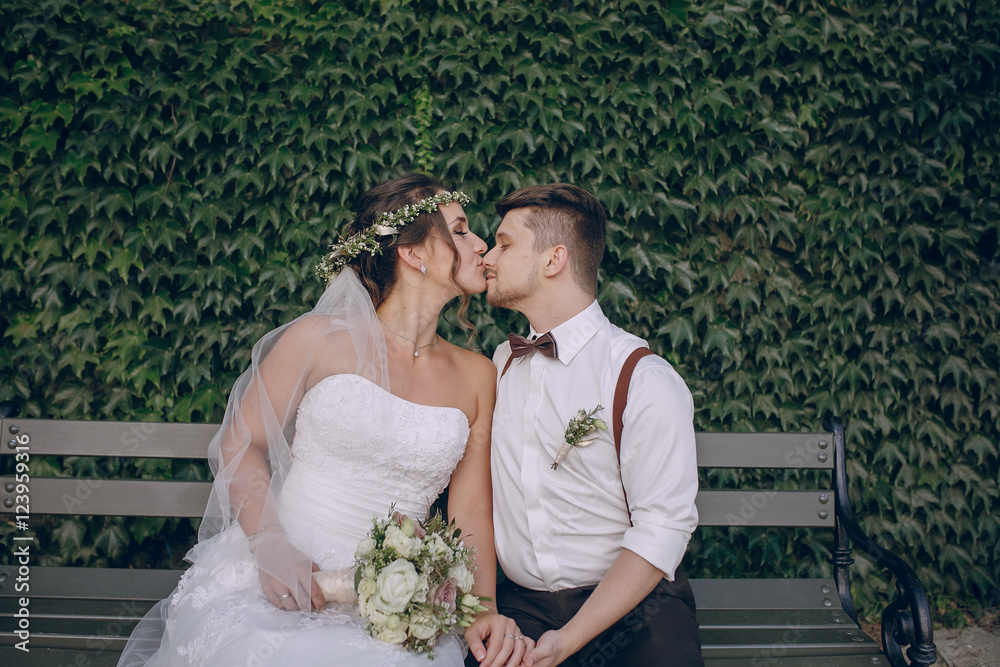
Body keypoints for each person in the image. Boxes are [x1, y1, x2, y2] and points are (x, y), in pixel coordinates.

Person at [118, 174, 532, 667]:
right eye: (461, 230)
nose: (480, 244)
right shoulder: (315, 340)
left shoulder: (477, 374)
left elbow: (469, 515)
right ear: (414, 253)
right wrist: (271, 548)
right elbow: (239, 443)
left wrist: (480, 610)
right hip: (283, 571)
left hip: (402, 603)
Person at [469, 184, 703, 667]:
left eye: (505, 244)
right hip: (522, 610)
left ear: (553, 260)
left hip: (635, 606)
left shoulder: (642, 377)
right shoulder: (500, 365)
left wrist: (569, 640)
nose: (488, 257)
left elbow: (663, 528)